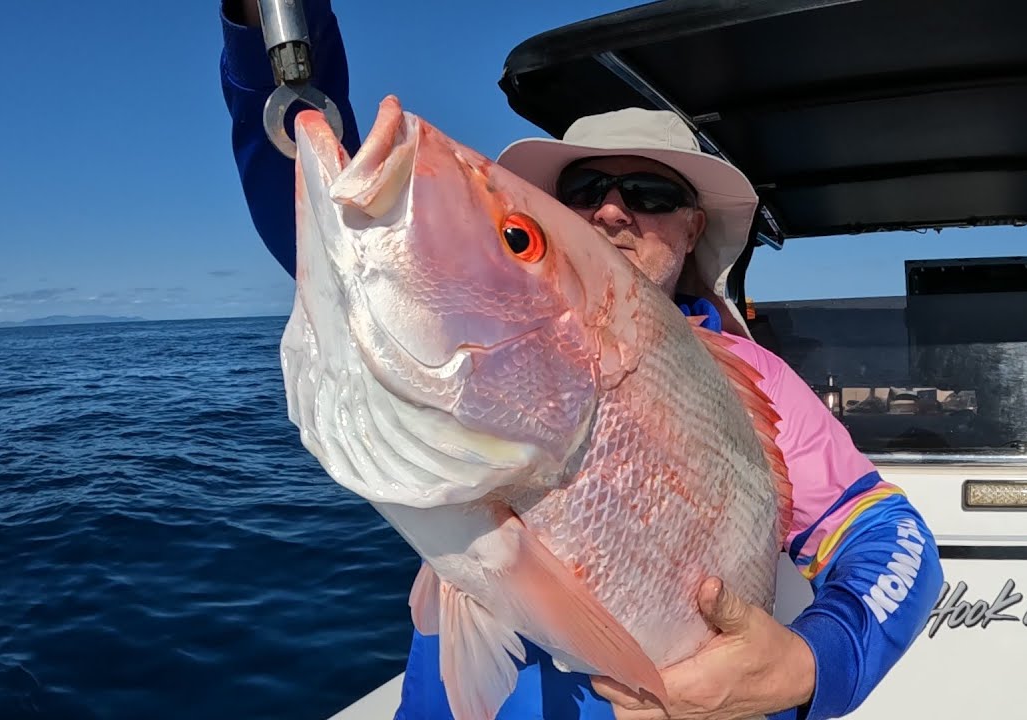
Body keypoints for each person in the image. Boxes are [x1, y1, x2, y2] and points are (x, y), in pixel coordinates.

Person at [218, 3, 944, 719]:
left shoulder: (758, 381)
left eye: (651, 193)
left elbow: (897, 544)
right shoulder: (488, 321)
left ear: (693, 230)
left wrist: (806, 665)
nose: (613, 211)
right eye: (584, 191)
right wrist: (266, 28)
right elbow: (315, 188)